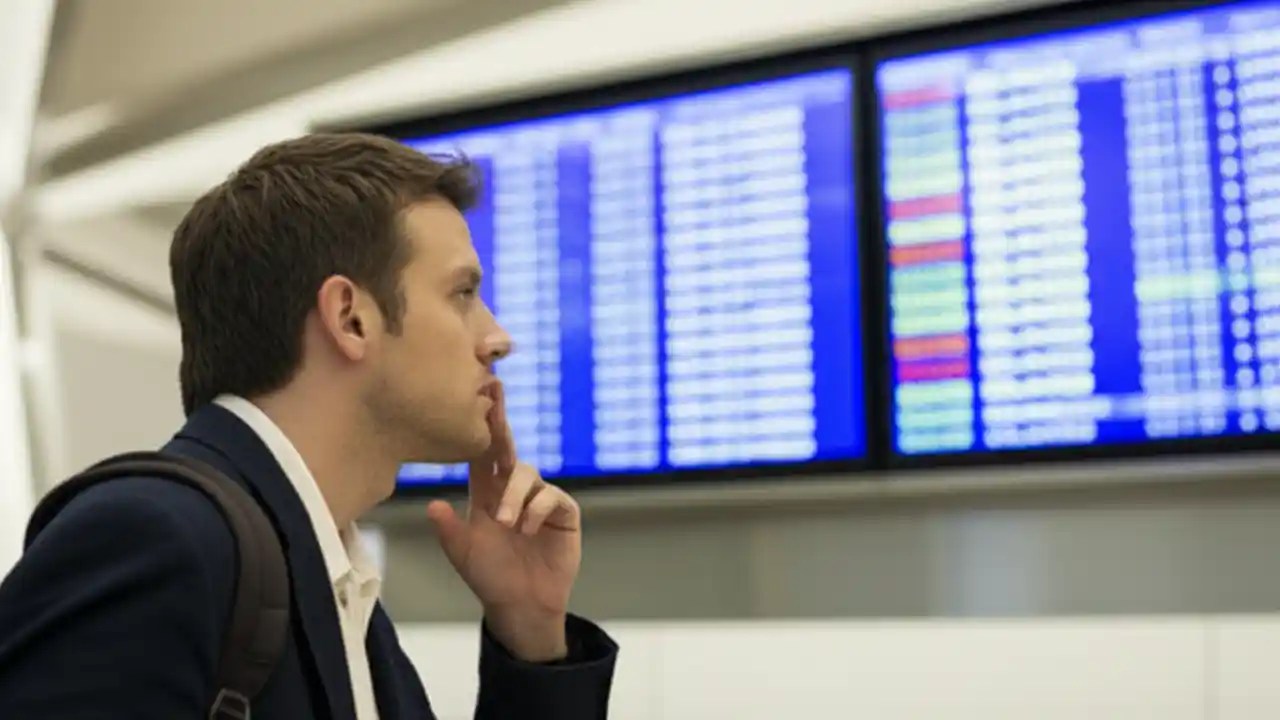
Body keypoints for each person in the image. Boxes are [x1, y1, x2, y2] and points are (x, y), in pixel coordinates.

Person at [0, 133, 619, 719]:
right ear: (350, 319)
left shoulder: (334, 590)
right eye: (462, 294)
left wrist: (531, 635)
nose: (497, 338)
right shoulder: (154, 537)